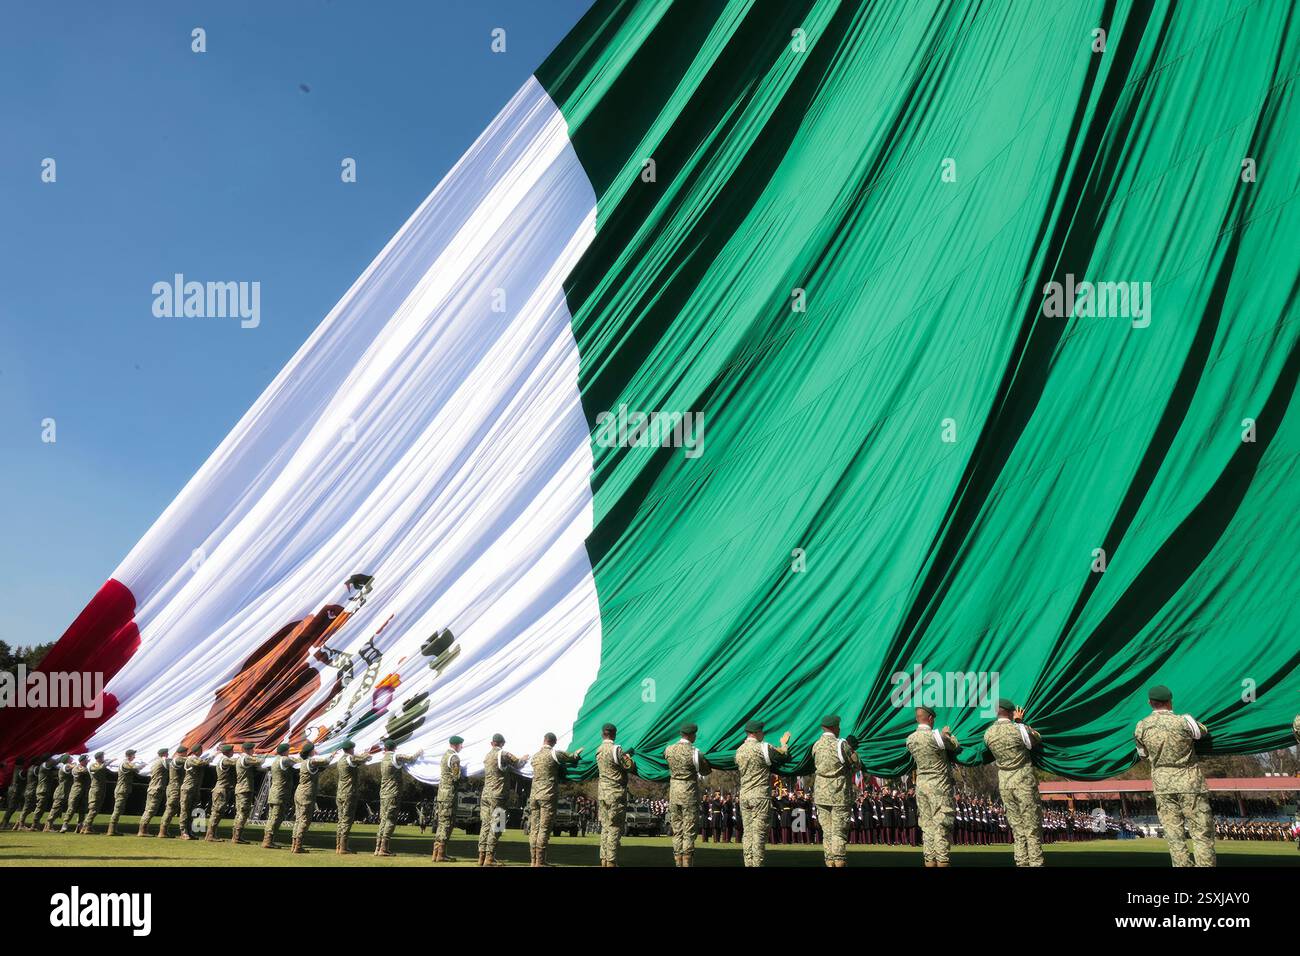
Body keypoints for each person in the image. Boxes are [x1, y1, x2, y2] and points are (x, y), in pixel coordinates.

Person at [1135, 684, 1215, 867]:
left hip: (1163, 786)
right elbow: (1202, 732)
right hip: (1190, 783)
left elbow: (1143, 754)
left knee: (1174, 837)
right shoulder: (1184, 722)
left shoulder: (1141, 727)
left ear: (1150, 703)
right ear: (1170, 701)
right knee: (1202, 834)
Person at [983, 698, 1044, 866]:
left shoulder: (988, 734)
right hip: (1023, 783)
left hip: (1005, 784)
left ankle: (1021, 862)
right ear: (1011, 712)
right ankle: (1036, 863)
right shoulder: (1018, 729)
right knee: (1031, 828)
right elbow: (1036, 738)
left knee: (1017, 829)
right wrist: (1020, 722)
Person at [906, 706, 961, 867]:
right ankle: (943, 860)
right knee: (941, 826)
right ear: (930, 718)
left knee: (927, 827)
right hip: (939, 787)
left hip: (921, 787)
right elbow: (955, 745)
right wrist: (947, 734)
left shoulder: (910, 739)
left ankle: (929, 861)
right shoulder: (937, 737)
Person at [735, 720, 792, 867]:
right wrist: (784, 743)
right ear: (757, 732)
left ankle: (748, 864)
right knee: (759, 835)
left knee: (747, 834)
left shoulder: (739, 750)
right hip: (760, 797)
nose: (764, 734)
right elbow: (782, 757)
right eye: (762, 731)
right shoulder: (763, 747)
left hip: (744, 796)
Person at [811, 714, 861, 867]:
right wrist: (853, 750)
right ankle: (839, 862)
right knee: (838, 834)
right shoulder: (841, 744)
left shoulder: (816, 745)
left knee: (827, 834)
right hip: (839, 794)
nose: (839, 729)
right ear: (833, 727)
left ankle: (830, 862)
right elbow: (856, 765)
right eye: (838, 727)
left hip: (821, 795)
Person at [528, 732, 581, 866]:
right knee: (544, 828)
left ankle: (533, 861)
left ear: (544, 740)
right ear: (554, 742)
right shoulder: (554, 754)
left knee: (534, 828)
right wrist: (577, 754)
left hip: (534, 796)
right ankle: (540, 861)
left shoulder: (535, 756)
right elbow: (572, 758)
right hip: (547, 796)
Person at [664, 722, 713, 866]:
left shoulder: (669, 750)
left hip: (673, 794)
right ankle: (687, 862)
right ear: (691, 735)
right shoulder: (694, 752)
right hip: (689, 795)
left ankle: (677, 862)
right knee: (689, 831)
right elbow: (705, 771)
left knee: (677, 830)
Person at [478, 733, 528, 866]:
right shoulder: (503, 754)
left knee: (485, 825)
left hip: (486, 795)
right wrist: (524, 758)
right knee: (498, 825)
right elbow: (518, 763)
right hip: (498, 795)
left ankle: (481, 856)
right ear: (502, 743)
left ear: (492, 743)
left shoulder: (487, 756)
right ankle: (490, 858)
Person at [596, 722, 635, 867]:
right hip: (615, 794)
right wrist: (628, 756)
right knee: (614, 829)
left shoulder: (599, 749)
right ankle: (611, 862)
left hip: (602, 794)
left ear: (602, 734)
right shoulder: (616, 749)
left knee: (605, 828)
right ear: (614, 734)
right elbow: (628, 766)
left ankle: (604, 861)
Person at [376, 738, 422, 857]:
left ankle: (377, 848)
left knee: (383, 820)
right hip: (393, 793)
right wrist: (419, 752)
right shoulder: (395, 757)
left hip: (383, 793)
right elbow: (411, 758)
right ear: (394, 748)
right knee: (390, 820)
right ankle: (384, 848)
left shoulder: (383, 758)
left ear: (385, 748)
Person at [290, 741, 332, 853]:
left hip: (299, 792)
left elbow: (321, 767)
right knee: (304, 820)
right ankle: (298, 846)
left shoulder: (304, 762)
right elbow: (326, 761)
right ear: (311, 751)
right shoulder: (311, 761)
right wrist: (332, 754)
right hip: (306, 794)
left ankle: (294, 845)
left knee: (298, 819)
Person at [334, 739, 370, 855]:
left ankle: (339, 846)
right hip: (348, 793)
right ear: (350, 749)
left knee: (341, 820)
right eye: (353, 749)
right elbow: (365, 758)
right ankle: (343, 847)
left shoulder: (341, 760)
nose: (354, 750)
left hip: (340, 793)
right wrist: (367, 752)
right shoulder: (350, 758)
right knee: (347, 820)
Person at [262, 743, 296, 849]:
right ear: (286, 751)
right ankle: (268, 840)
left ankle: (267, 839)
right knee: (276, 817)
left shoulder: (275, 760)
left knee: (272, 817)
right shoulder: (284, 760)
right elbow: (297, 763)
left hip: (274, 792)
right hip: (280, 793)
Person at [230, 742, 264, 844]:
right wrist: (262, 756)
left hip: (240, 789)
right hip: (245, 789)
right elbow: (260, 761)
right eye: (252, 749)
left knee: (239, 813)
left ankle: (235, 836)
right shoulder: (246, 758)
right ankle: (237, 837)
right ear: (247, 750)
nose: (253, 751)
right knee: (243, 813)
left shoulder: (241, 758)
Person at [178, 745, 212, 839]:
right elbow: (200, 763)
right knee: (185, 810)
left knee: (192, 811)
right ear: (196, 751)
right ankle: (183, 832)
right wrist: (211, 758)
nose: (202, 751)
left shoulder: (198, 759)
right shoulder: (191, 759)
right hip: (188, 788)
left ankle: (189, 831)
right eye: (201, 750)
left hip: (195, 789)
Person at [205, 744, 236, 841]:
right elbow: (237, 762)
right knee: (217, 813)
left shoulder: (222, 759)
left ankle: (212, 834)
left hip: (221, 789)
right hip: (221, 789)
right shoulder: (225, 760)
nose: (233, 752)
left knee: (218, 812)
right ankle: (210, 835)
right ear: (228, 752)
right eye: (232, 751)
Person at [157, 745, 188, 838]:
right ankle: (162, 832)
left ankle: (164, 831)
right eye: (185, 752)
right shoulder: (177, 759)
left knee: (172, 809)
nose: (187, 753)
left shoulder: (173, 760)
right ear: (182, 752)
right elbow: (189, 761)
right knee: (170, 809)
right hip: (174, 788)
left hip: (173, 787)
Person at [137, 749, 169, 836]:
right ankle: (142, 831)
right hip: (156, 788)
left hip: (152, 788)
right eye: (167, 753)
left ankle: (143, 830)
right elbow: (169, 765)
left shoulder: (155, 762)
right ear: (164, 754)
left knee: (148, 810)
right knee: (151, 810)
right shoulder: (162, 761)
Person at [82, 751, 111, 833]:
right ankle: (86, 826)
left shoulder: (101, 765)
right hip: (95, 790)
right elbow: (99, 768)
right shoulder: (93, 765)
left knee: (96, 809)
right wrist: (107, 763)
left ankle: (87, 827)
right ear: (99, 758)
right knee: (93, 809)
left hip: (100, 789)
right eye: (102, 757)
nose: (103, 758)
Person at [45, 755, 73, 832]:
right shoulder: (65, 766)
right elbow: (69, 767)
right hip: (61, 792)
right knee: (55, 809)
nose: (72, 759)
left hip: (63, 792)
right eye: (70, 758)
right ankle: (48, 827)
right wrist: (75, 765)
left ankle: (48, 826)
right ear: (67, 760)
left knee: (58, 810)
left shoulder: (66, 766)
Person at [64, 753, 91, 833]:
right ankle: (65, 824)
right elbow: (83, 771)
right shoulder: (77, 768)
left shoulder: (84, 767)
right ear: (82, 761)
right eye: (86, 760)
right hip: (76, 790)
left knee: (82, 809)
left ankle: (79, 826)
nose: (87, 761)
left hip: (84, 791)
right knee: (72, 808)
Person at [17, 755, 42, 830]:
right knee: (27, 808)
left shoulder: (29, 768)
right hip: (32, 790)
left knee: (29, 807)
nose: (41, 762)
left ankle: (19, 823)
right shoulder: (36, 768)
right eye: (39, 761)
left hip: (28, 789)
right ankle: (20, 825)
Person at [2, 758, 26, 830]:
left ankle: (4, 823)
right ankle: (4, 824)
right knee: (11, 808)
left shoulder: (15, 769)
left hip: (11, 789)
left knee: (11, 808)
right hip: (15, 791)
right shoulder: (20, 771)